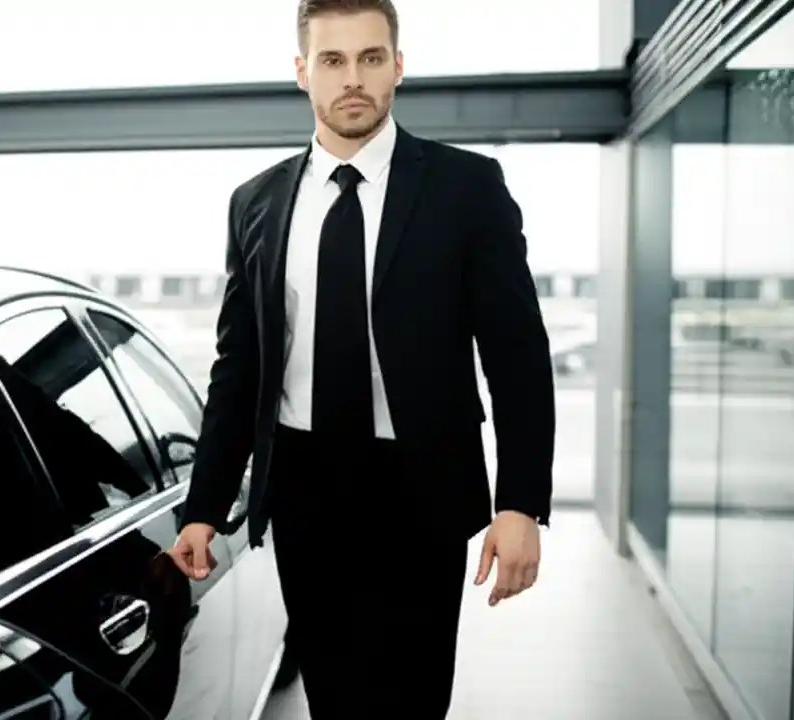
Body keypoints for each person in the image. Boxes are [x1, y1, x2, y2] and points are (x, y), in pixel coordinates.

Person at [167, 0, 555, 715]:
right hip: (305, 488)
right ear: (301, 71)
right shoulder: (254, 202)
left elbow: (519, 357)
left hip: (422, 489)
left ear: (398, 67)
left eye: (372, 59)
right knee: (334, 699)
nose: (354, 79)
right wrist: (204, 508)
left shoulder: (466, 188)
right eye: (334, 60)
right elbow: (239, 366)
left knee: (410, 700)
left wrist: (521, 502)